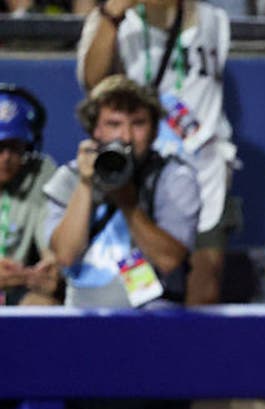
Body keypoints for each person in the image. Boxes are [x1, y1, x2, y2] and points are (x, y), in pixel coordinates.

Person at [78, 0, 236, 305]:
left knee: (204, 286)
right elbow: (93, 84)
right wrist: (112, 16)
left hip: (203, 169)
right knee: (127, 286)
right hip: (137, 167)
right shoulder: (108, 20)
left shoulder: (214, 19)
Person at [44, 74, 199, 308]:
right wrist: (86, 185)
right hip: (82, 313)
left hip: (151, 313)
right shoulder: (70, 178)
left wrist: (128, 204)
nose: (126, 137)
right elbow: (65, 256)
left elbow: (169, 261)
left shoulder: (174, 178)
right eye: (114, 124)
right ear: (95, 130)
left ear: (155, 130)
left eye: (138, 123)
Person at [0, 85, 60, 306]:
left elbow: (50, 249)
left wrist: (51, 268)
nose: (6, 158)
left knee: (44, 305)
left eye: (14, 147)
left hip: (17, 288)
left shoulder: (39, 171)